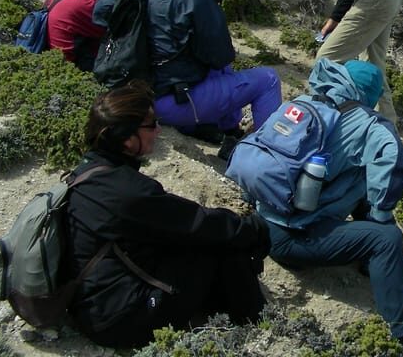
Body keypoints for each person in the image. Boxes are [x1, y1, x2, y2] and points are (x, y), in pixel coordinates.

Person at [65, 80, 270, 348]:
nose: (159, 130)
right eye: (151, 125)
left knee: (203, 244)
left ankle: (229, 310)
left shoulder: (87, 172)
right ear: (127, 140)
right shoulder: (128, 193)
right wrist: (255, 229)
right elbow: (199, 224)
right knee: (226, 247)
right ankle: (259, 327)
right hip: (118, 319)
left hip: (92, 303)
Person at [256, 58, 403, 350]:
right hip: (294, 239)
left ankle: (381, 262)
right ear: (369, 95)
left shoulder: (305, 102)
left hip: (263, 220)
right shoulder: (369, 125)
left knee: (357, 170)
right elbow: (395, 164)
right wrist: (382, 217)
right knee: (387, 238)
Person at [93, 0, 282, 145]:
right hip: (170, 102)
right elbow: (220, 55)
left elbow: (99, 12)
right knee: (267, 79)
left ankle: (225, 131)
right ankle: (267, 152)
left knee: (217, 69)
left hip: (132, 94)